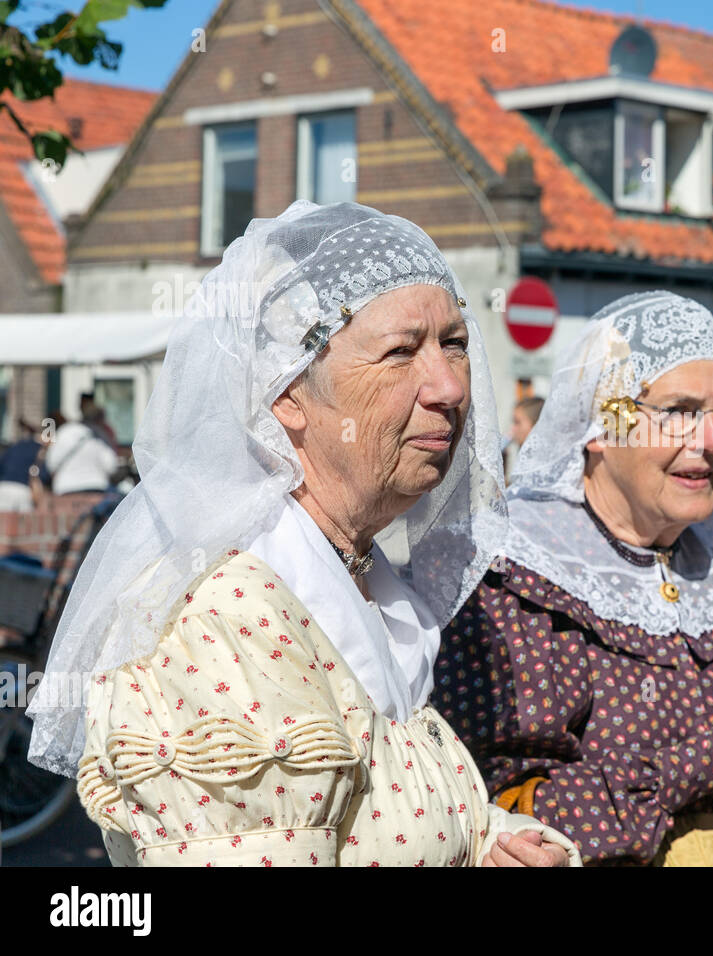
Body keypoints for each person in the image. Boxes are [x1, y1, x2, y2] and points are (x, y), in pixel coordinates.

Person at [28, 201, 580, 867]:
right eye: (401, 351)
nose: (447, 386)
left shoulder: (366, 577)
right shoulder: (225, 622)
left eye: (454, 343)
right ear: (287, 393)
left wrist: (490, 840)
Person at [436, 291, 713, 866]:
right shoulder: (518, 578)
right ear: (600, 427)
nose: (709, 441)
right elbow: (504, 817)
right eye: (677, 411)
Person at [44, 412, 119, 495]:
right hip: (96, 487)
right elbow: (110, 464)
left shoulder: (61, 435)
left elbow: (51, 464)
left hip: (65, 488)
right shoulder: (94, 435)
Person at [0, 419, 45, 512]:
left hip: (3, 487)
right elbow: (43, 474)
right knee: (25, 524)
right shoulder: (40, 450)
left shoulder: (14, 446)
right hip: (23, 489)